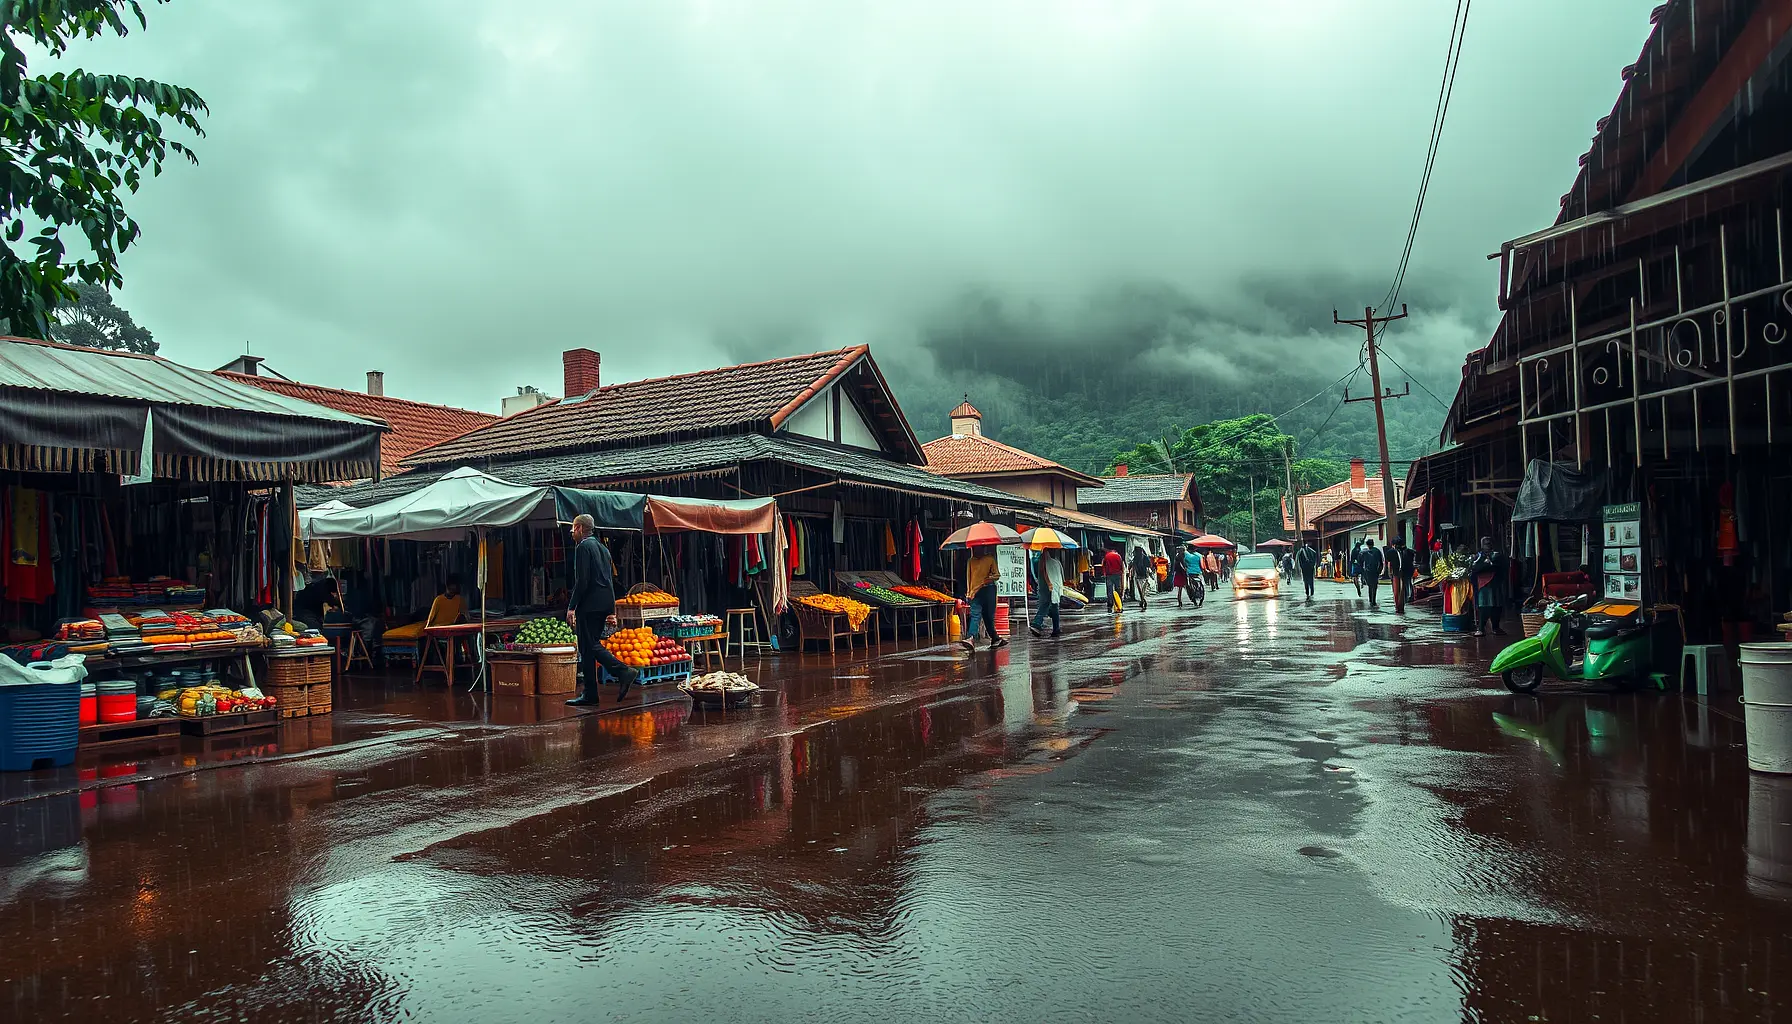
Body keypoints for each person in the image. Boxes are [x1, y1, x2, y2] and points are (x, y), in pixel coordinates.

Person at [566, 515, 638, 707]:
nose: (572, 533)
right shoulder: (603, 549)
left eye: (573, 529)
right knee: (588, 648)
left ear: (580, 528)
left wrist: (572, 607)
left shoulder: (583, 547)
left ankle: (623, 671)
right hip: (604, 602)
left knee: (589, 645)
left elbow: (582, 581)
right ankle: (590, 694)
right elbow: (608, 580)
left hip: (589, 605)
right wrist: (611, 609)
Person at [960, 545, 1006, 651]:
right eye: (973, 548)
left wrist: (987, 579)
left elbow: (996, 575)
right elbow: (969, 577)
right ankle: (971, 637)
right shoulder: (971, 561)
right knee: (975, 614)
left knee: (988, 616)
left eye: (976, 548)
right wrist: (969, 592)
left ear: (982, 548)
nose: (975, 550)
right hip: (975, 591)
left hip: (988, 589)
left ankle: (995, 638)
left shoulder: (989, 559)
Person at [1468, 536, 1509, 637]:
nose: (1488, 545)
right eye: (1486, 543)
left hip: (1495, 584)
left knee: (1496, 605)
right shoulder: (1478, 556)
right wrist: (1486, 565)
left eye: (1489, 543)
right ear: (1482, 545)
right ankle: (1481, 628)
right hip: (1483, 586)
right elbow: (1475, 568)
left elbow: (1500, 566)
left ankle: (1496, 627)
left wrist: (1489, 565)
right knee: (1483, 606)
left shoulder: (1497, 555)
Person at [1030, 549, 1064, 638]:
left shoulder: (1040, 560)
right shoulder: (1048, 560)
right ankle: (1037, 623)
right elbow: (1047, 572)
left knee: (1052, 606)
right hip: (1048, 587)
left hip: (1045, 586)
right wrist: (1049, 583)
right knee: (1047, 605)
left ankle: (1055, 628)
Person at [1388, 536, 1418, 613]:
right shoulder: (1408, 552)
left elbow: (1389, 564)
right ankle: (1401, 605)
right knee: (1403, 588)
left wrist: (1389, 572)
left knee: (1397, 590)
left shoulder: (1391, 552)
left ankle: (1398, 606)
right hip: (1405, 572)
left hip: (1397, 573)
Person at [1358, 538, 1385, 608]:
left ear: (1367, 545)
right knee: (1374, 585)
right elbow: (1381, 561)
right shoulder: (1377, 551)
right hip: (1375, 571)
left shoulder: (1364, 552)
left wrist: (1362, 571)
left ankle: (1371, 599)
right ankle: (1373, 600)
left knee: (1370, 585)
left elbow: (1360, 562)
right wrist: (1380, 570)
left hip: (1368, 571)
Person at [1102, 547, 1125, 613]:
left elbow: (1104, 566)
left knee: (1109, 590)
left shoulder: (1106, 556)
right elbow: (1121, 565)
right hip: (1117, 575)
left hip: (1109, 575)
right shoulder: (1118, 556)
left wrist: (1104, 573)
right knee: (1118, 589)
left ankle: (1110, 603)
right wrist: (1122, 573)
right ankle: (1119, 602)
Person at [1129, 545, 1152, 612]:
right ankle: (1143, 600)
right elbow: (1149, 565)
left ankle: (1142, 601)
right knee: (1143, 590)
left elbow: (1131, 566)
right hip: (1144, 575)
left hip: (1138, 576)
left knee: (1140, 590)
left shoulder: (1135, 558)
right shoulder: (1145, 557)